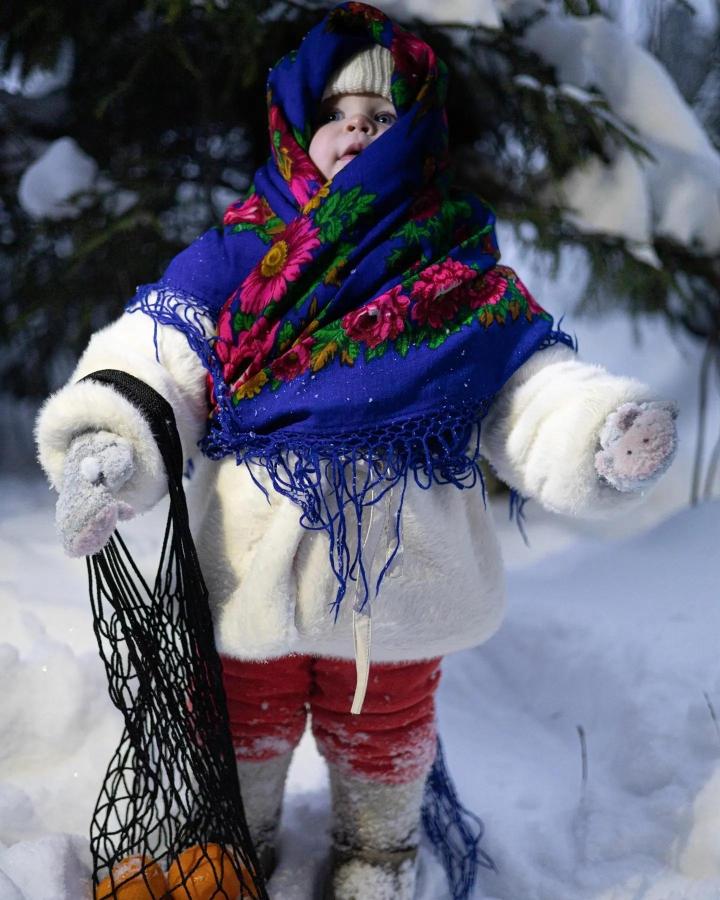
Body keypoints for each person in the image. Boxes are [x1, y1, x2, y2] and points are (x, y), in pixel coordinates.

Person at [35, 4, 678, 899]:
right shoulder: (239, 250)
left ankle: (379, 850)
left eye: (381, 121)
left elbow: (530, 384)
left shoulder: (454, 263)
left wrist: (596, 432)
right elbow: (161, 353)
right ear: (301, 132)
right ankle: (238, 834)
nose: (357, 132)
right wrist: (113, 437)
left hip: (403, 565)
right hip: (255, 549)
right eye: (338, 116)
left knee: (385, 717)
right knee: (240, 710)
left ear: (413, 138)